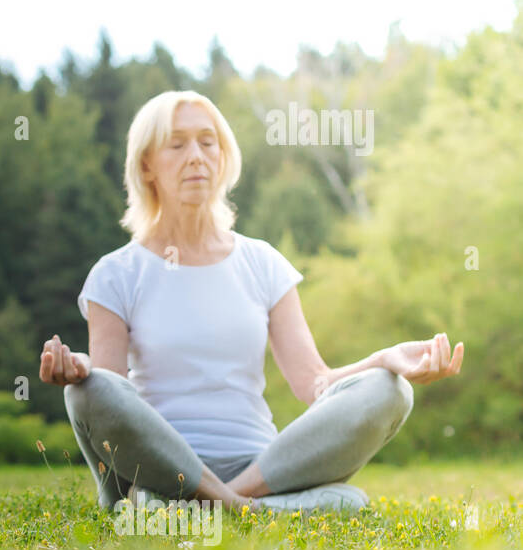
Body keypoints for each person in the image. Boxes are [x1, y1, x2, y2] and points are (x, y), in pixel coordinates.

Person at [39, 90, 464, 513]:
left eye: (208, 142)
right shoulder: (116, 273)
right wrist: (81, 372)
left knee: (391, 390)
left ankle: (217, 503)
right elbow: (116, 399)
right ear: (147, 164)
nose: (196, 156)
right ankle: (256, 507)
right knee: (88, 390)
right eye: (177, 143)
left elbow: (314, 383)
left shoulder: (262, 263)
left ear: (223, 157)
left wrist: (385, 359)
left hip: (258, 465)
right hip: (158, 470)